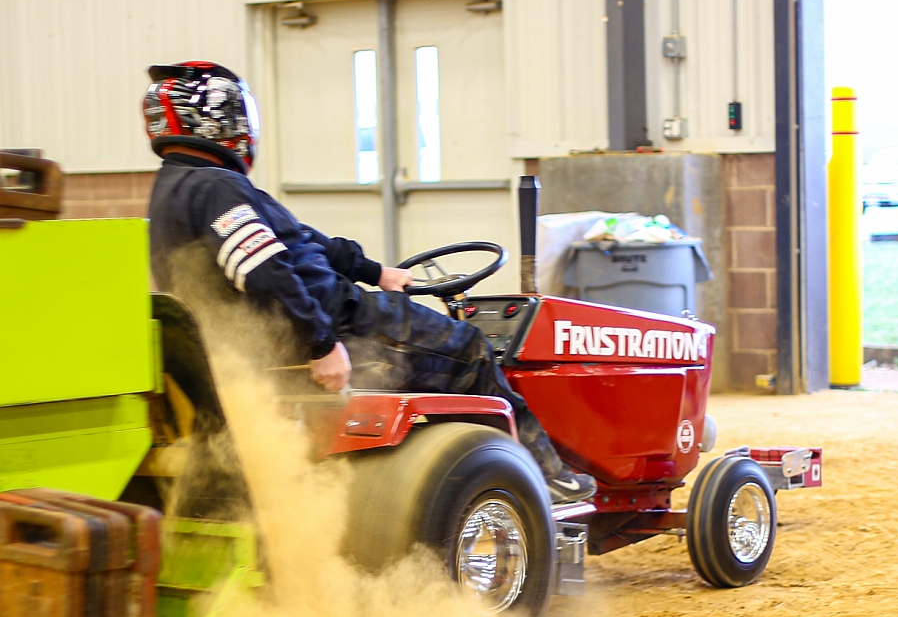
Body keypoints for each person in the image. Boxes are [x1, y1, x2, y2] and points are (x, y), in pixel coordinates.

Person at [142, 61, 596, 503]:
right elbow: (267, 272)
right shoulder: (217, 189)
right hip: (343, 328)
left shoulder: (180, 186)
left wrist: (375, 272)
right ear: (218, 121)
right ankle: (544, 477)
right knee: (471, 349)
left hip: (305, 329)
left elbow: (302, 242)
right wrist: (319, 345)